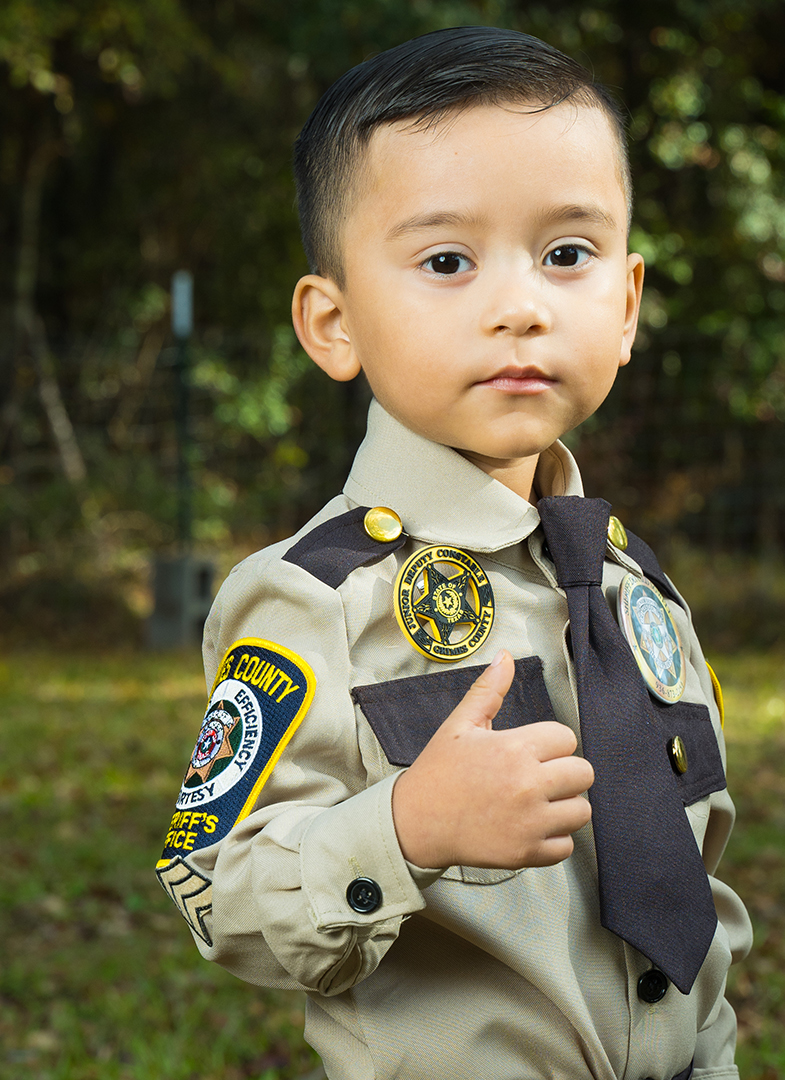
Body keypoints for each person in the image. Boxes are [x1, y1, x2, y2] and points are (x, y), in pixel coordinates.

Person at [152, 27, 750, 1080]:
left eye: (567, 255)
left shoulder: (632, 589)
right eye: (446, 261)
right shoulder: (314, 598)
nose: (519, 305)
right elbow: (215, 892)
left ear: (625, 306)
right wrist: (406, 827)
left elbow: (693, 885)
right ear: (332, 323)